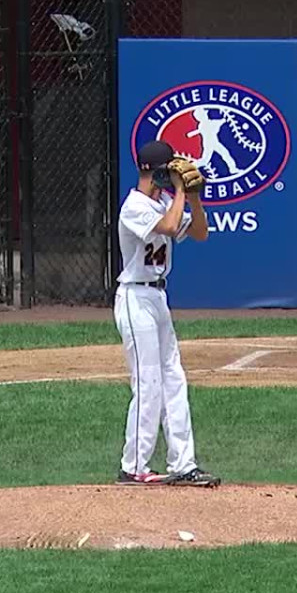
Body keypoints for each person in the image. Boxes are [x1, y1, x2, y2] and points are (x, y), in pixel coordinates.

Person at [113, 139, 220, 487]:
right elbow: (171, 228)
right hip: (134, 299)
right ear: (152, 171)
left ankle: (183, 463)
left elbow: (200, 233)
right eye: (169, 169)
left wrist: (194, 198)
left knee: (174, 378)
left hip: (158, 300)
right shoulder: (135, 206)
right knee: (148, 383)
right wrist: (177, 192)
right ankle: (133, 465)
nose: (175, 173)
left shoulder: (163, 203)